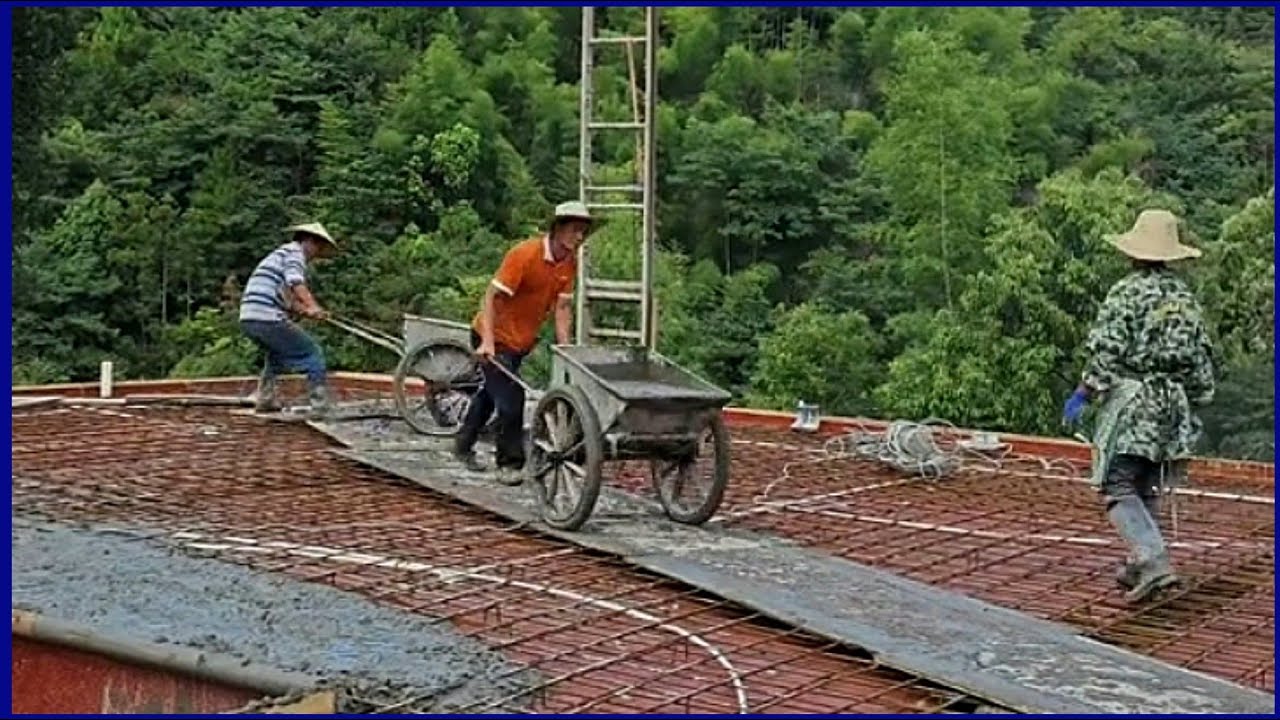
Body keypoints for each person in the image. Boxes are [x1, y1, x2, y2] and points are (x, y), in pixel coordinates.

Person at [1063, 209, 1216, 603]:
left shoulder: (1127, 292)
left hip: (1135, 403)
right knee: (1145, 483)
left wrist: (1085, 392)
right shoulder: (1184, 298)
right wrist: (1195, 402)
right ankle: (1140, 563)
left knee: (1117, 482)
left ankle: (1152, 560)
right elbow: (1201, 360)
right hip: (1172, 405)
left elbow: (1108, 351)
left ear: (1133, 253)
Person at [453, 201, 594, 481]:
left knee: (490, 395)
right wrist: (487, 342)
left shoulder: (569, 263)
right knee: (511, 398)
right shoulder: (525, 255)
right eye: (575, 230)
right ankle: (509, 464)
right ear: (558, 228)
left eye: (583, 232)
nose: (579, 237)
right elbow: (491, 297)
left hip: (520, 341)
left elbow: (563, 308)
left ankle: (462, 444)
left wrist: (565, 349)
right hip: (493, 336)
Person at [239, 222, 339, 416]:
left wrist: (307, 311)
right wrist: (313, 306)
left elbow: (287, 301)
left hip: (249, 317)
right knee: (312, 353)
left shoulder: (280, 255)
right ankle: (320, 404)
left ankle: (266, 398)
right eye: (318, 247)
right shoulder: (295, 253)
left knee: (276, 355)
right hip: (266, 316)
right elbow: (295, 281)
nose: (317, 254)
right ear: (308, 241)